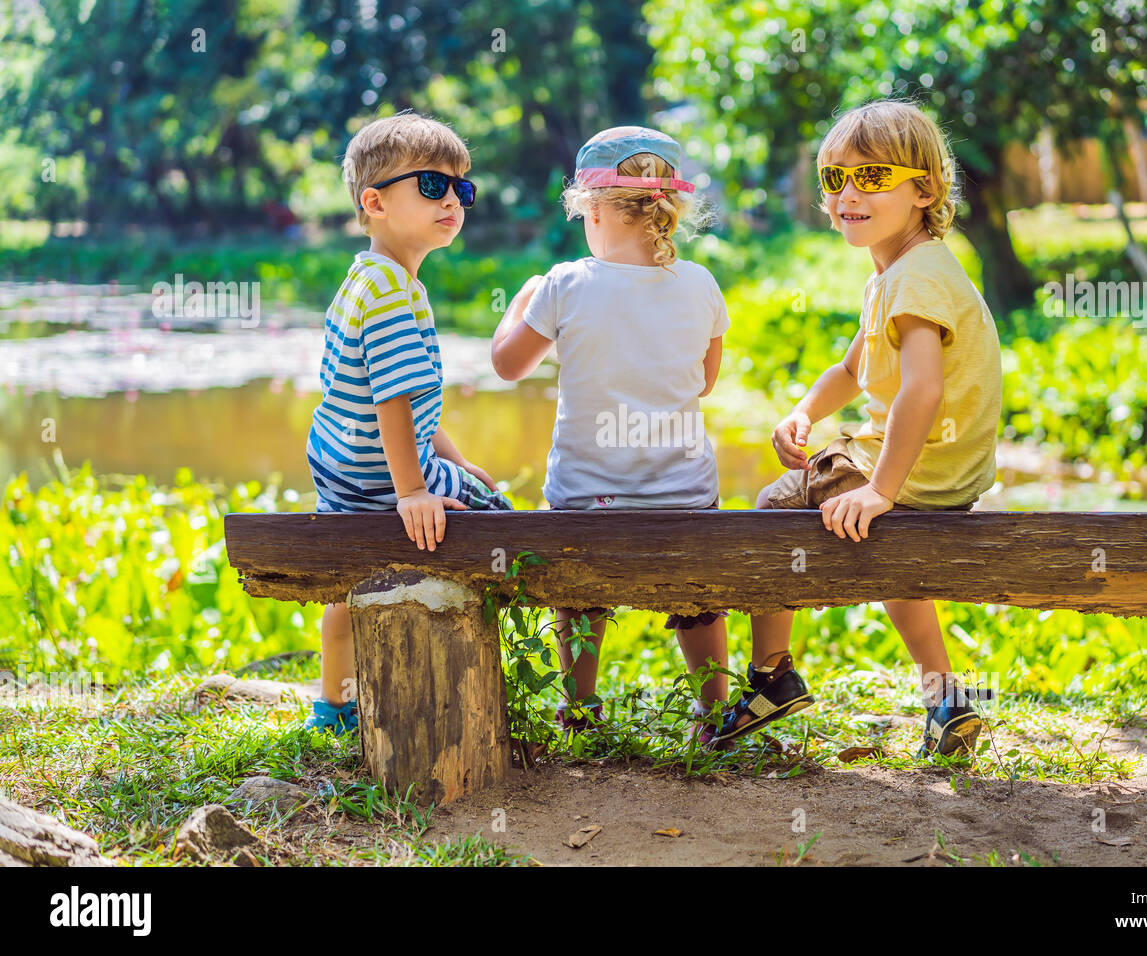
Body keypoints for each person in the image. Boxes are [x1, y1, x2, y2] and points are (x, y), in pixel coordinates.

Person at [713, 100, 1001, 757]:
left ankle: (773, 676)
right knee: (889, 561)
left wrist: (882, 490)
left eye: (871, 179)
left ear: (923, 190)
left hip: (918, 471)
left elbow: (925, 388)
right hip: (939, 471)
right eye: (833, 179)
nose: (847, 194)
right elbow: (853, 365)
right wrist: (804, 412)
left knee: (771, 509)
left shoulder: (916, 280)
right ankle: (948, 698)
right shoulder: (901, 271)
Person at [491, 126, 729, 744]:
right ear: (669, 211)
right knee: (698, 596)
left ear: (592, 210)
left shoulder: (565, 284)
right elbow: (705, 381)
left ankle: (580, 708)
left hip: (585, 504)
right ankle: (713, 714)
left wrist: (520, 304)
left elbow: (508, 365)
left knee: (578, 595)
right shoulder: (701, 284)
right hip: (684, 501)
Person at [303, 112, 511, 734]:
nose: (451, 199)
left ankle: (333, 706)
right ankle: (478, 684)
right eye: (430, 186)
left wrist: (454, 457)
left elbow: (409, 401)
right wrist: (415, 490)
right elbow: (393, 401)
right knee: (500, 516)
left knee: (346, 587)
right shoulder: (393, 291)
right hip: (384, 476)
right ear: (375, 202)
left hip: (343, 474)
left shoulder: (368, 278)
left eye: (460, 189)